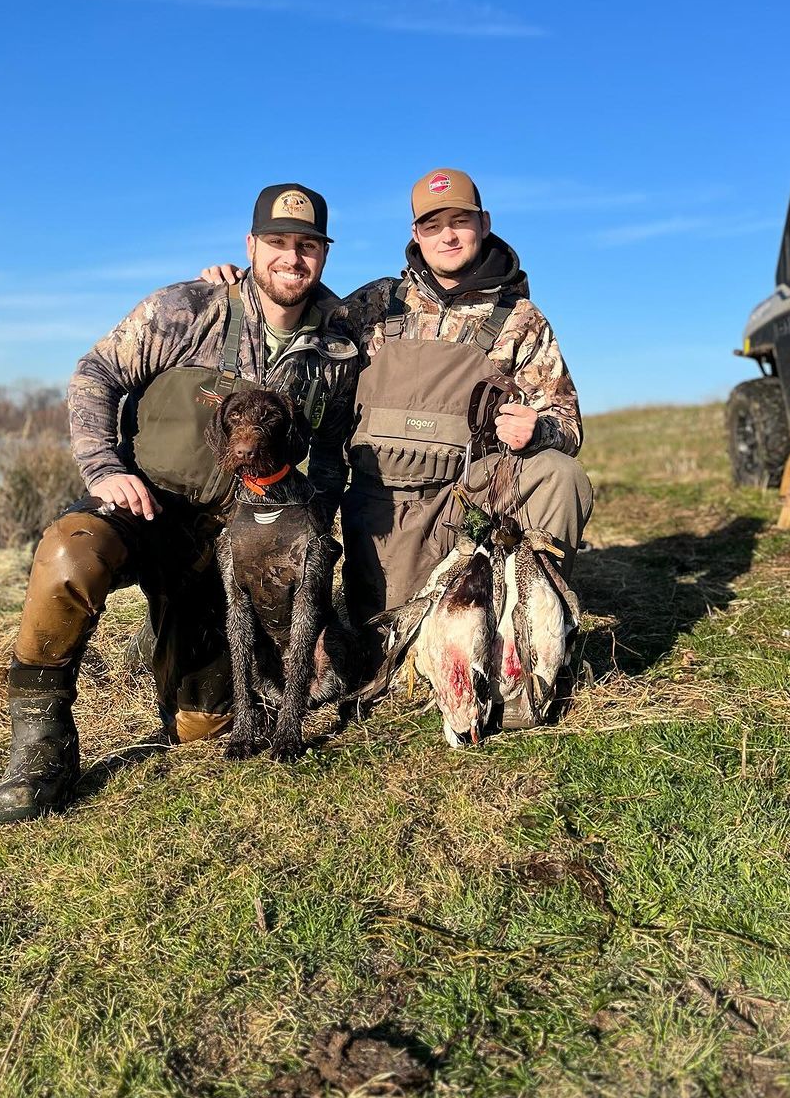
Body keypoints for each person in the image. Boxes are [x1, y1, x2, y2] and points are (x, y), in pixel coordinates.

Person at [0, 184, 358, 823]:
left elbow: (328, 452)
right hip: (149, 506)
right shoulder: (188, 308)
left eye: (306, 246)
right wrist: (103, 468)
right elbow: (94, 372)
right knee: (68, 555)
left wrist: (313, 527)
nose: (291, 259)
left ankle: (160, 646)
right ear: (250, 247)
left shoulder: (339, 344)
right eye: (276, 243)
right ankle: (39, 743)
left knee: (202, 725)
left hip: (236, 543)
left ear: (322, 255)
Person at [202, 168, 592, 730]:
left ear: (483, 224)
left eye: (461, 222)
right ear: (416, 232)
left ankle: (535, 643)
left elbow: (569, 425)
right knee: (394, 648)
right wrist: (234, 285)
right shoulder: (374, 307)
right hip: (389, 512)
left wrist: (540, 430)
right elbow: (292, 302)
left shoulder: (521, 322)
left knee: (560, 475)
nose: (449, 236)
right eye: (435, 226)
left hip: (474, 499)